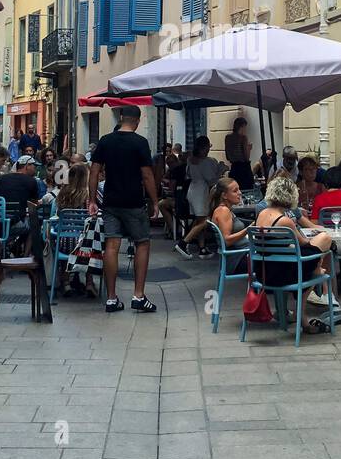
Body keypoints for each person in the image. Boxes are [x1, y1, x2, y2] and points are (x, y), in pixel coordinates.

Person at [88, 104, 160, 312]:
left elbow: (94, 172)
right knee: (142, 244)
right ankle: (138, 295)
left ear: (120, 118)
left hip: (110, 201)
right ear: (137, 121)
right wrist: (155, 202)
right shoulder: (140, 143)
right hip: (134, 201)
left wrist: (93, 200)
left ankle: (111, 298)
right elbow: (147, 175)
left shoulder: (105, 141)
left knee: (111, 245)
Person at [252, 175, 336, 332]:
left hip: (264, 270)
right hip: (284, 273)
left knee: (312, 266)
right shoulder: (285, 221)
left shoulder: (262, 214)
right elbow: (303, 243)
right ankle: (302, 317)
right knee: (324, 240)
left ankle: (302, 317)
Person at [51, 163, 97, 298]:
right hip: (85, 243)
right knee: (91, 241)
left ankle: (65, 283)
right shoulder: (89, 196)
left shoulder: (62, 194)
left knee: (64, 244)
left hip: (65, 241)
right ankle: (89, 282)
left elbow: (58, 215)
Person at [176, 136, 222, 259]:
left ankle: (202, 248)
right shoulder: (207, 161)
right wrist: (221, 171)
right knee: (204, 221)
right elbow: (211, 179)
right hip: (201, 192)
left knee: (199, 220)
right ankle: (184, 242)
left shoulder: (191, 160)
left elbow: (188, 174)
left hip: (192, 190)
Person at [0, 155, 45, 250]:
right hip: (14, 224)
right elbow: (34, 203)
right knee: (34, 226)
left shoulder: (1, 179)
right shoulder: (32, 181)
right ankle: (25, 256)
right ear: (27, 166)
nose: (35, 169)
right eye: (34, 166)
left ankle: (12, 246)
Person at [209, 176, 249, 254]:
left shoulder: (226, 210)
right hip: (237, 256)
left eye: (239, 189)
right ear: (224, 196)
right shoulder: (223, 211)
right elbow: (227, 241)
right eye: (235, 191)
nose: (240, 193)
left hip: (243, 251)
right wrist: (249, 229)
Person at [224, 118, 253, 189]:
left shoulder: (228, 138)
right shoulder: (243, 138)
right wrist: (249, 148)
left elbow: (227, 156)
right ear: (242, 126)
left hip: (234, 168)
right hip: (243, 169)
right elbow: (246, 157)